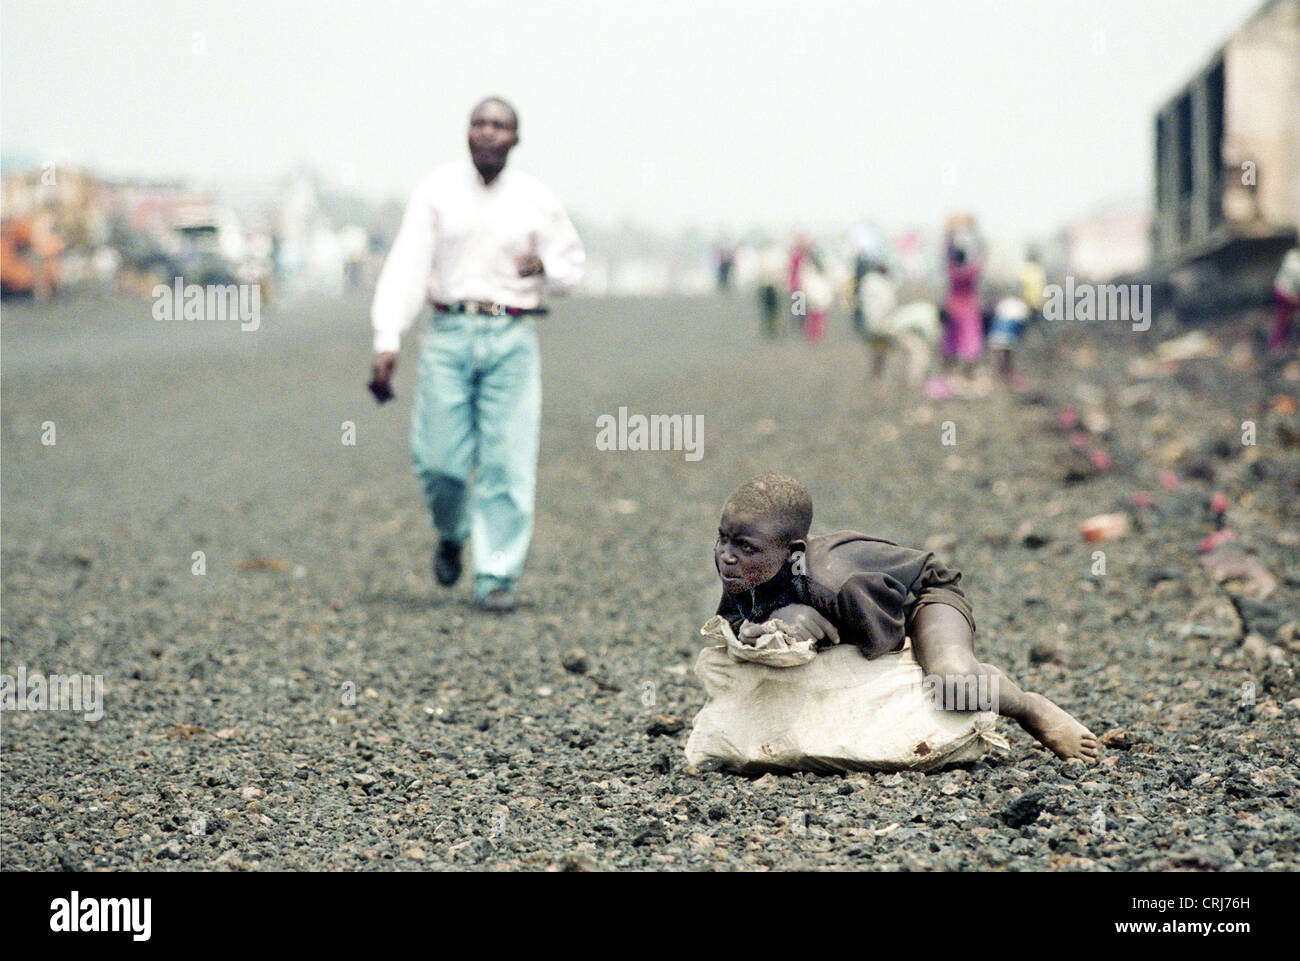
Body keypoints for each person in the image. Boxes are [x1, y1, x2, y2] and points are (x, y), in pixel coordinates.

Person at [712, 473, 1100, 762]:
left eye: (744, 546)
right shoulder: (747, 571)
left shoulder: (836, 584)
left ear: (793, 552)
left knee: (952, 682)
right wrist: (770, 622)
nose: (727, 555)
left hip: (923, 598)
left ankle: (1028, 706)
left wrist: (810, 621)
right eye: (723, 539)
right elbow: (733, 625)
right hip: (868, 605)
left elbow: (885, 650)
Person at [368, 97, 584, 612]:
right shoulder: (437, 191)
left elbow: (572, 268)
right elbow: (408, 264)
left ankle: (495, 573)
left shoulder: (536, 199)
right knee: (440, 461)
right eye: (480, 123)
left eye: (500, 126)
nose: (488, 133)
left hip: (511, 335)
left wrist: (545, 267)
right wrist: (387, 337)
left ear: (515, 138)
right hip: (449, 332)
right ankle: (452, 530)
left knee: (507, 462)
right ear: (467, 132)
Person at [1269, 245, 1300, 356]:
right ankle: (1278, 347)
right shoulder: (1294, 261)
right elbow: (1289, 289)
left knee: (1283, 319)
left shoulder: (1292, 255)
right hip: (1284, 292)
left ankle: (1279, 345)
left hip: (1286, 291)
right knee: (1283, 319)